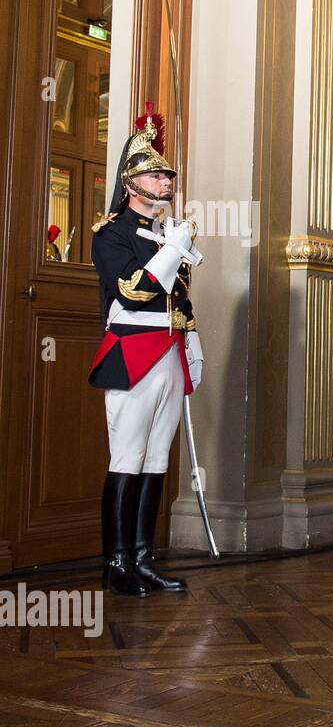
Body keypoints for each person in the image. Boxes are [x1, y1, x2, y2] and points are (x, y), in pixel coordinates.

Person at [88, 103, 202, 597]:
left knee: (157, 458)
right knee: (127, 457)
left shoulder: (162, 231)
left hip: (170, 348)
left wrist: (192, 342)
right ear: (132, 183)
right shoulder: (110, 233)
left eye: (168, 175)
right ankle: (115, 564)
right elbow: (131, 291)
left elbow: (179, 299)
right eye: (156, 175)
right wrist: (173, 250)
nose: (166, 181)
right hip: (133, 351)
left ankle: (143, 558)